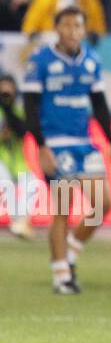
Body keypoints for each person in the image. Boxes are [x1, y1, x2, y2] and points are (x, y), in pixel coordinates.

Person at [21, 8, 111, 294]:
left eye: (77, 25)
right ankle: (61, 276)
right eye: (66, 25)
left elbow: (98, 103)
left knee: (103, 205)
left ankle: (72, 251)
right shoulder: (41, 60)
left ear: (84, 30)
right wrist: (40, 146)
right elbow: (29, 105)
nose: (72, 31)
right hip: (55, 144)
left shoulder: (91, 61)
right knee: (62, 210)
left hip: (84, 143)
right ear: (57, 29)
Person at [0, 74, 35, 239]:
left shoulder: (19, 109)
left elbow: (22, 131)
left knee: (33, 184)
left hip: (18, 163)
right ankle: (19, 222)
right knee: (5, 182)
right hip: (1, 160)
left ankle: (20, 222)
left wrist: (7, 108)